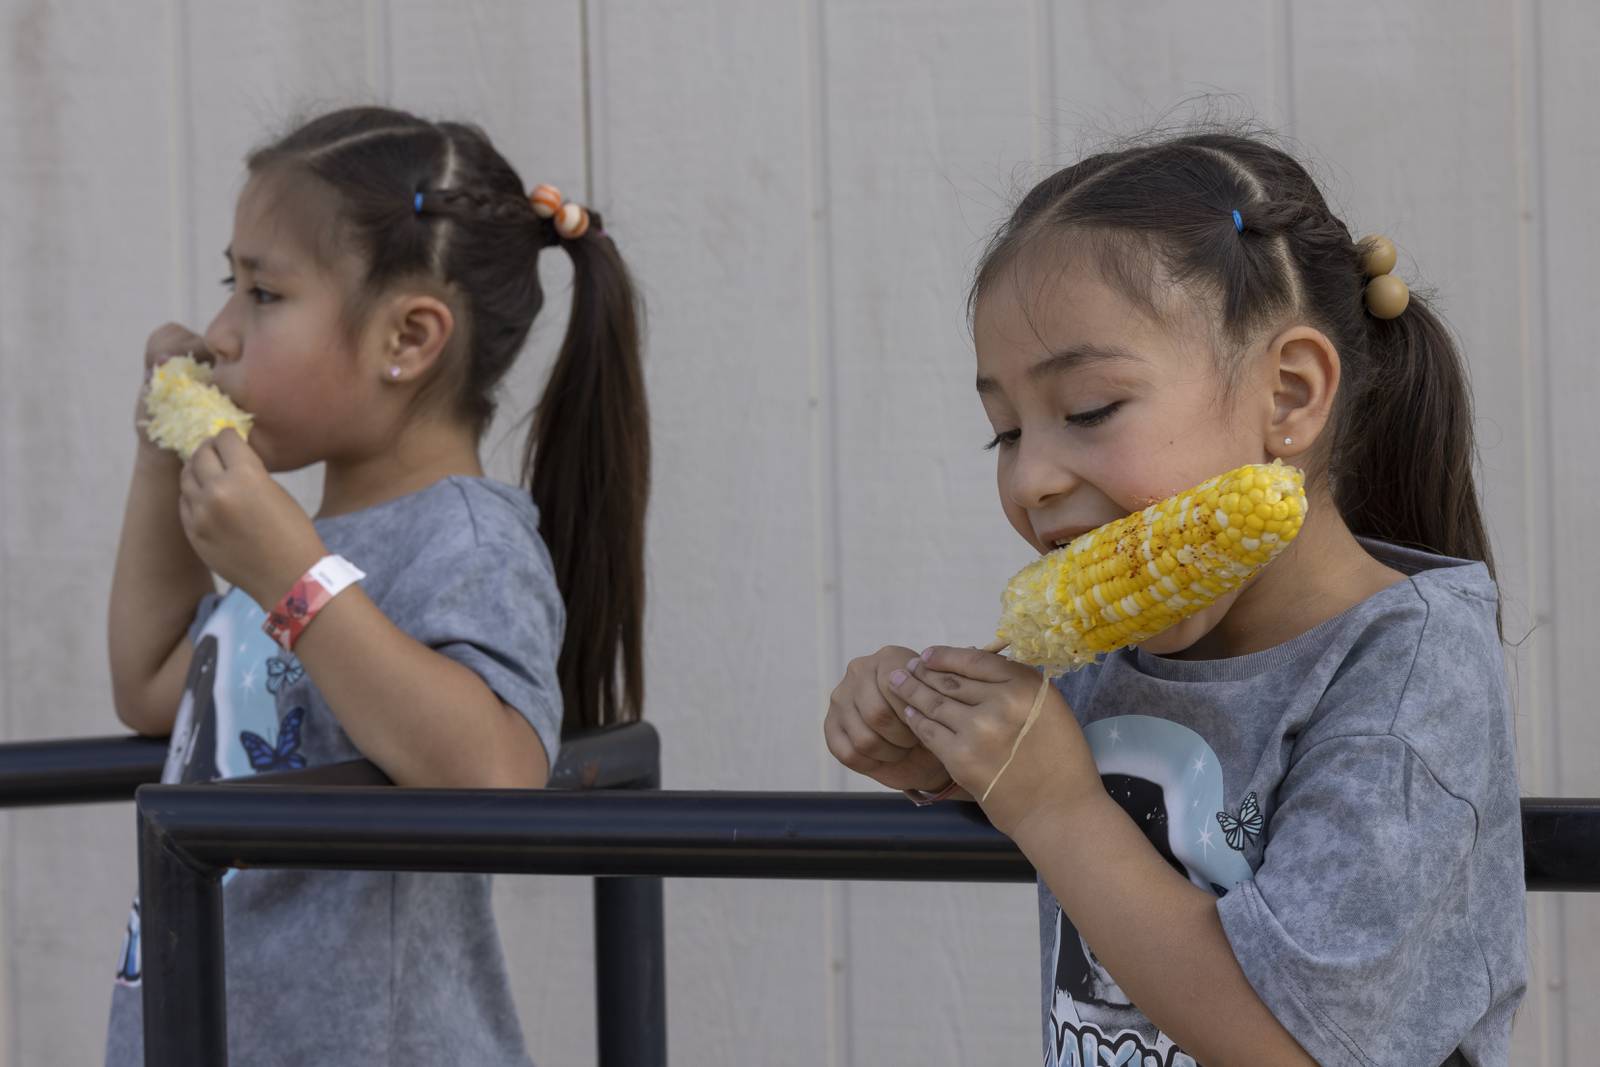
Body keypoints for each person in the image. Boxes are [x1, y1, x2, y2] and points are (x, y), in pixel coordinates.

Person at [825, 129, 1526, 1066]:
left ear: (1288, 393)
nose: (1031, 476)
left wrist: (1055, 808)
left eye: (1087, 411)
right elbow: (1040, 760)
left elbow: (1299, 1044)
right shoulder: (1117, 649)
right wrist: (932, 738)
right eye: (1003, 431)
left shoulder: (1405, 675)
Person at [104, 105, 649, 1066]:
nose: (221, 332)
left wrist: (292, 578)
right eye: (228, 284)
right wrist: (164, 459)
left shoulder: (462, 537)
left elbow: (497, 776)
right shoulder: (294, 540)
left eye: (264, 294)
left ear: (409, 337)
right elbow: (152, 685)